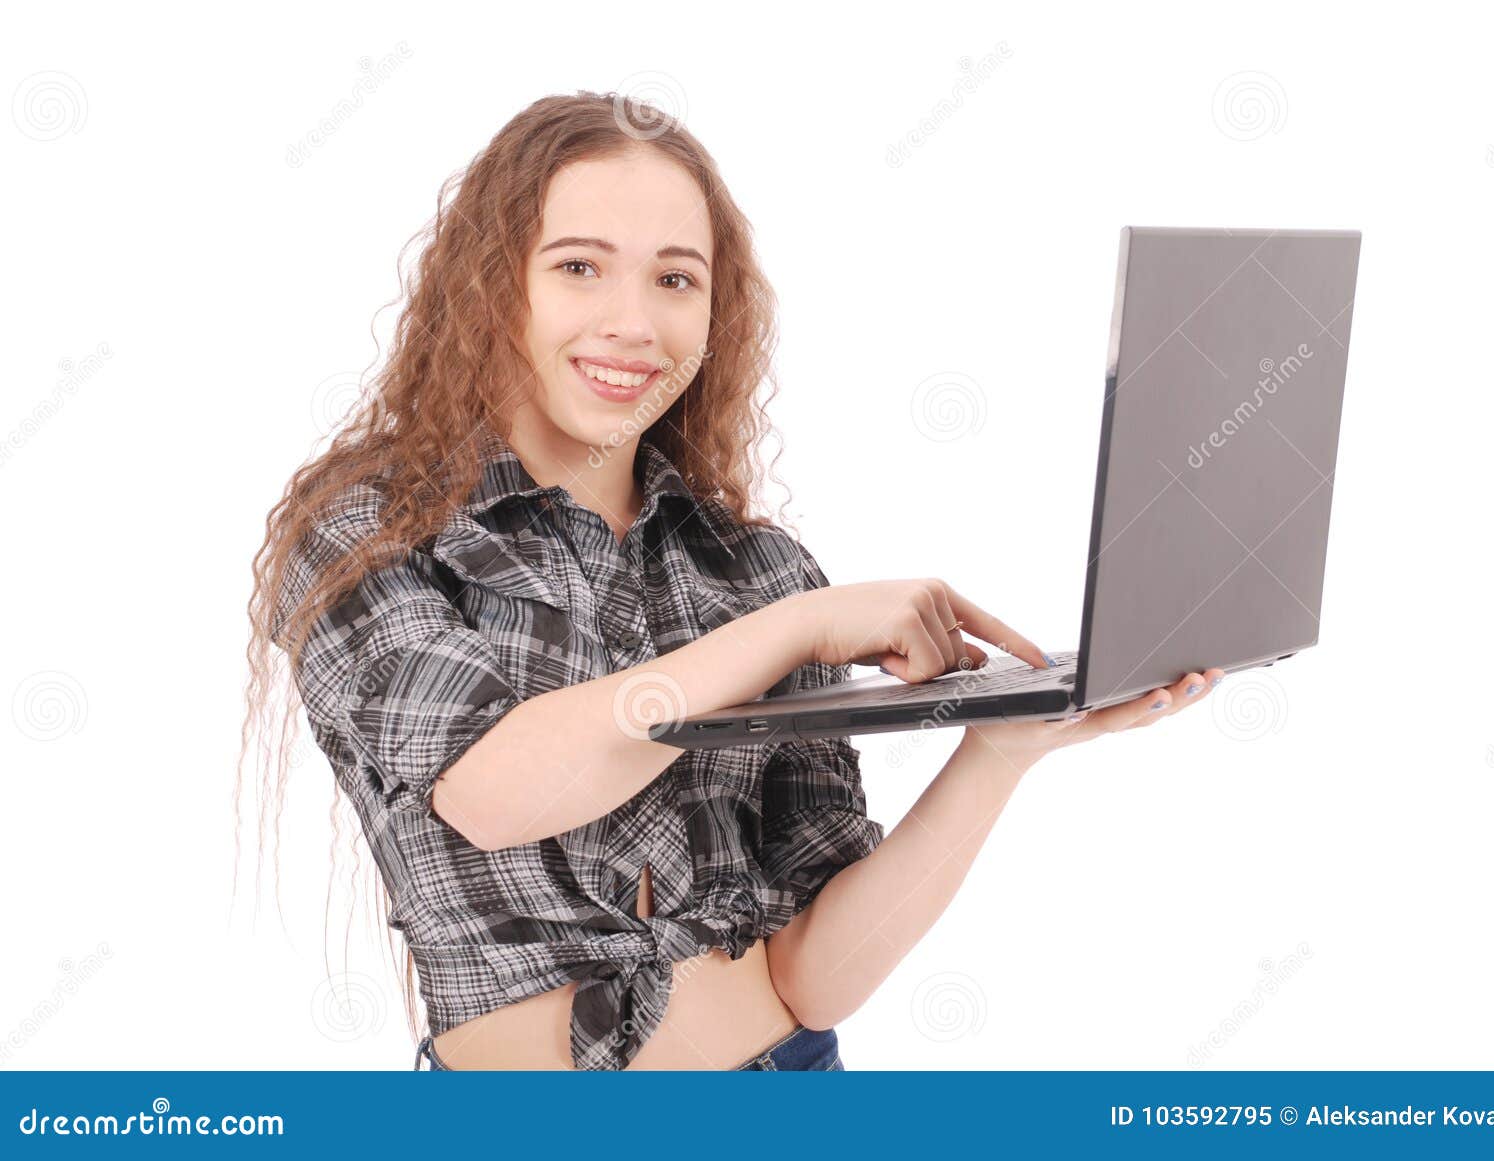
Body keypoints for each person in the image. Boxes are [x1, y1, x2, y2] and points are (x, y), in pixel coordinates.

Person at [239, 90, 1221, 1072]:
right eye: (579, 267)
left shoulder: (757, 568)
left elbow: (816, 980)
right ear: (493, 288)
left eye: (675, 279)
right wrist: (794, 630)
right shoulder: (371, 530)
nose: (632, 324)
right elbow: (497, 788)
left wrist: (997, 753)